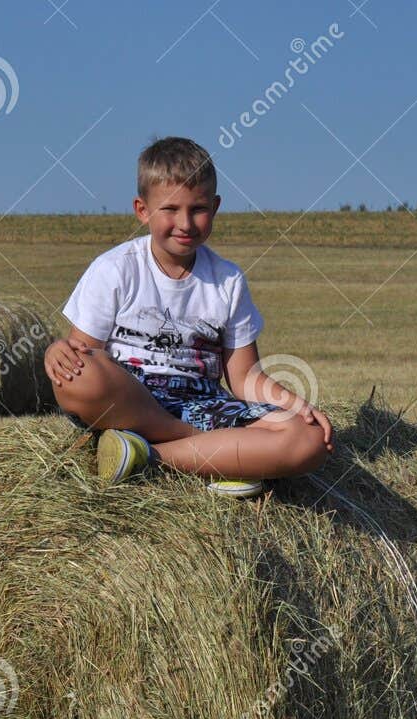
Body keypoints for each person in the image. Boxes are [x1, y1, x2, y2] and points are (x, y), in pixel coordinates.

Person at [45, 136, 333, 498]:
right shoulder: (114, 269)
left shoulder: (227, 280)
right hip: (131, 397)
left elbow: (244, 377)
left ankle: (150, 456)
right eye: (170, 209)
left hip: (201, 404)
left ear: (214, 207)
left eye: (197, 208)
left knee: (307, 441)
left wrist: (297, 406)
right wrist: (57, 349)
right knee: (78, 377)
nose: (185, 223)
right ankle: (213, 450)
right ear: (142, 210)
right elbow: (81, 352)